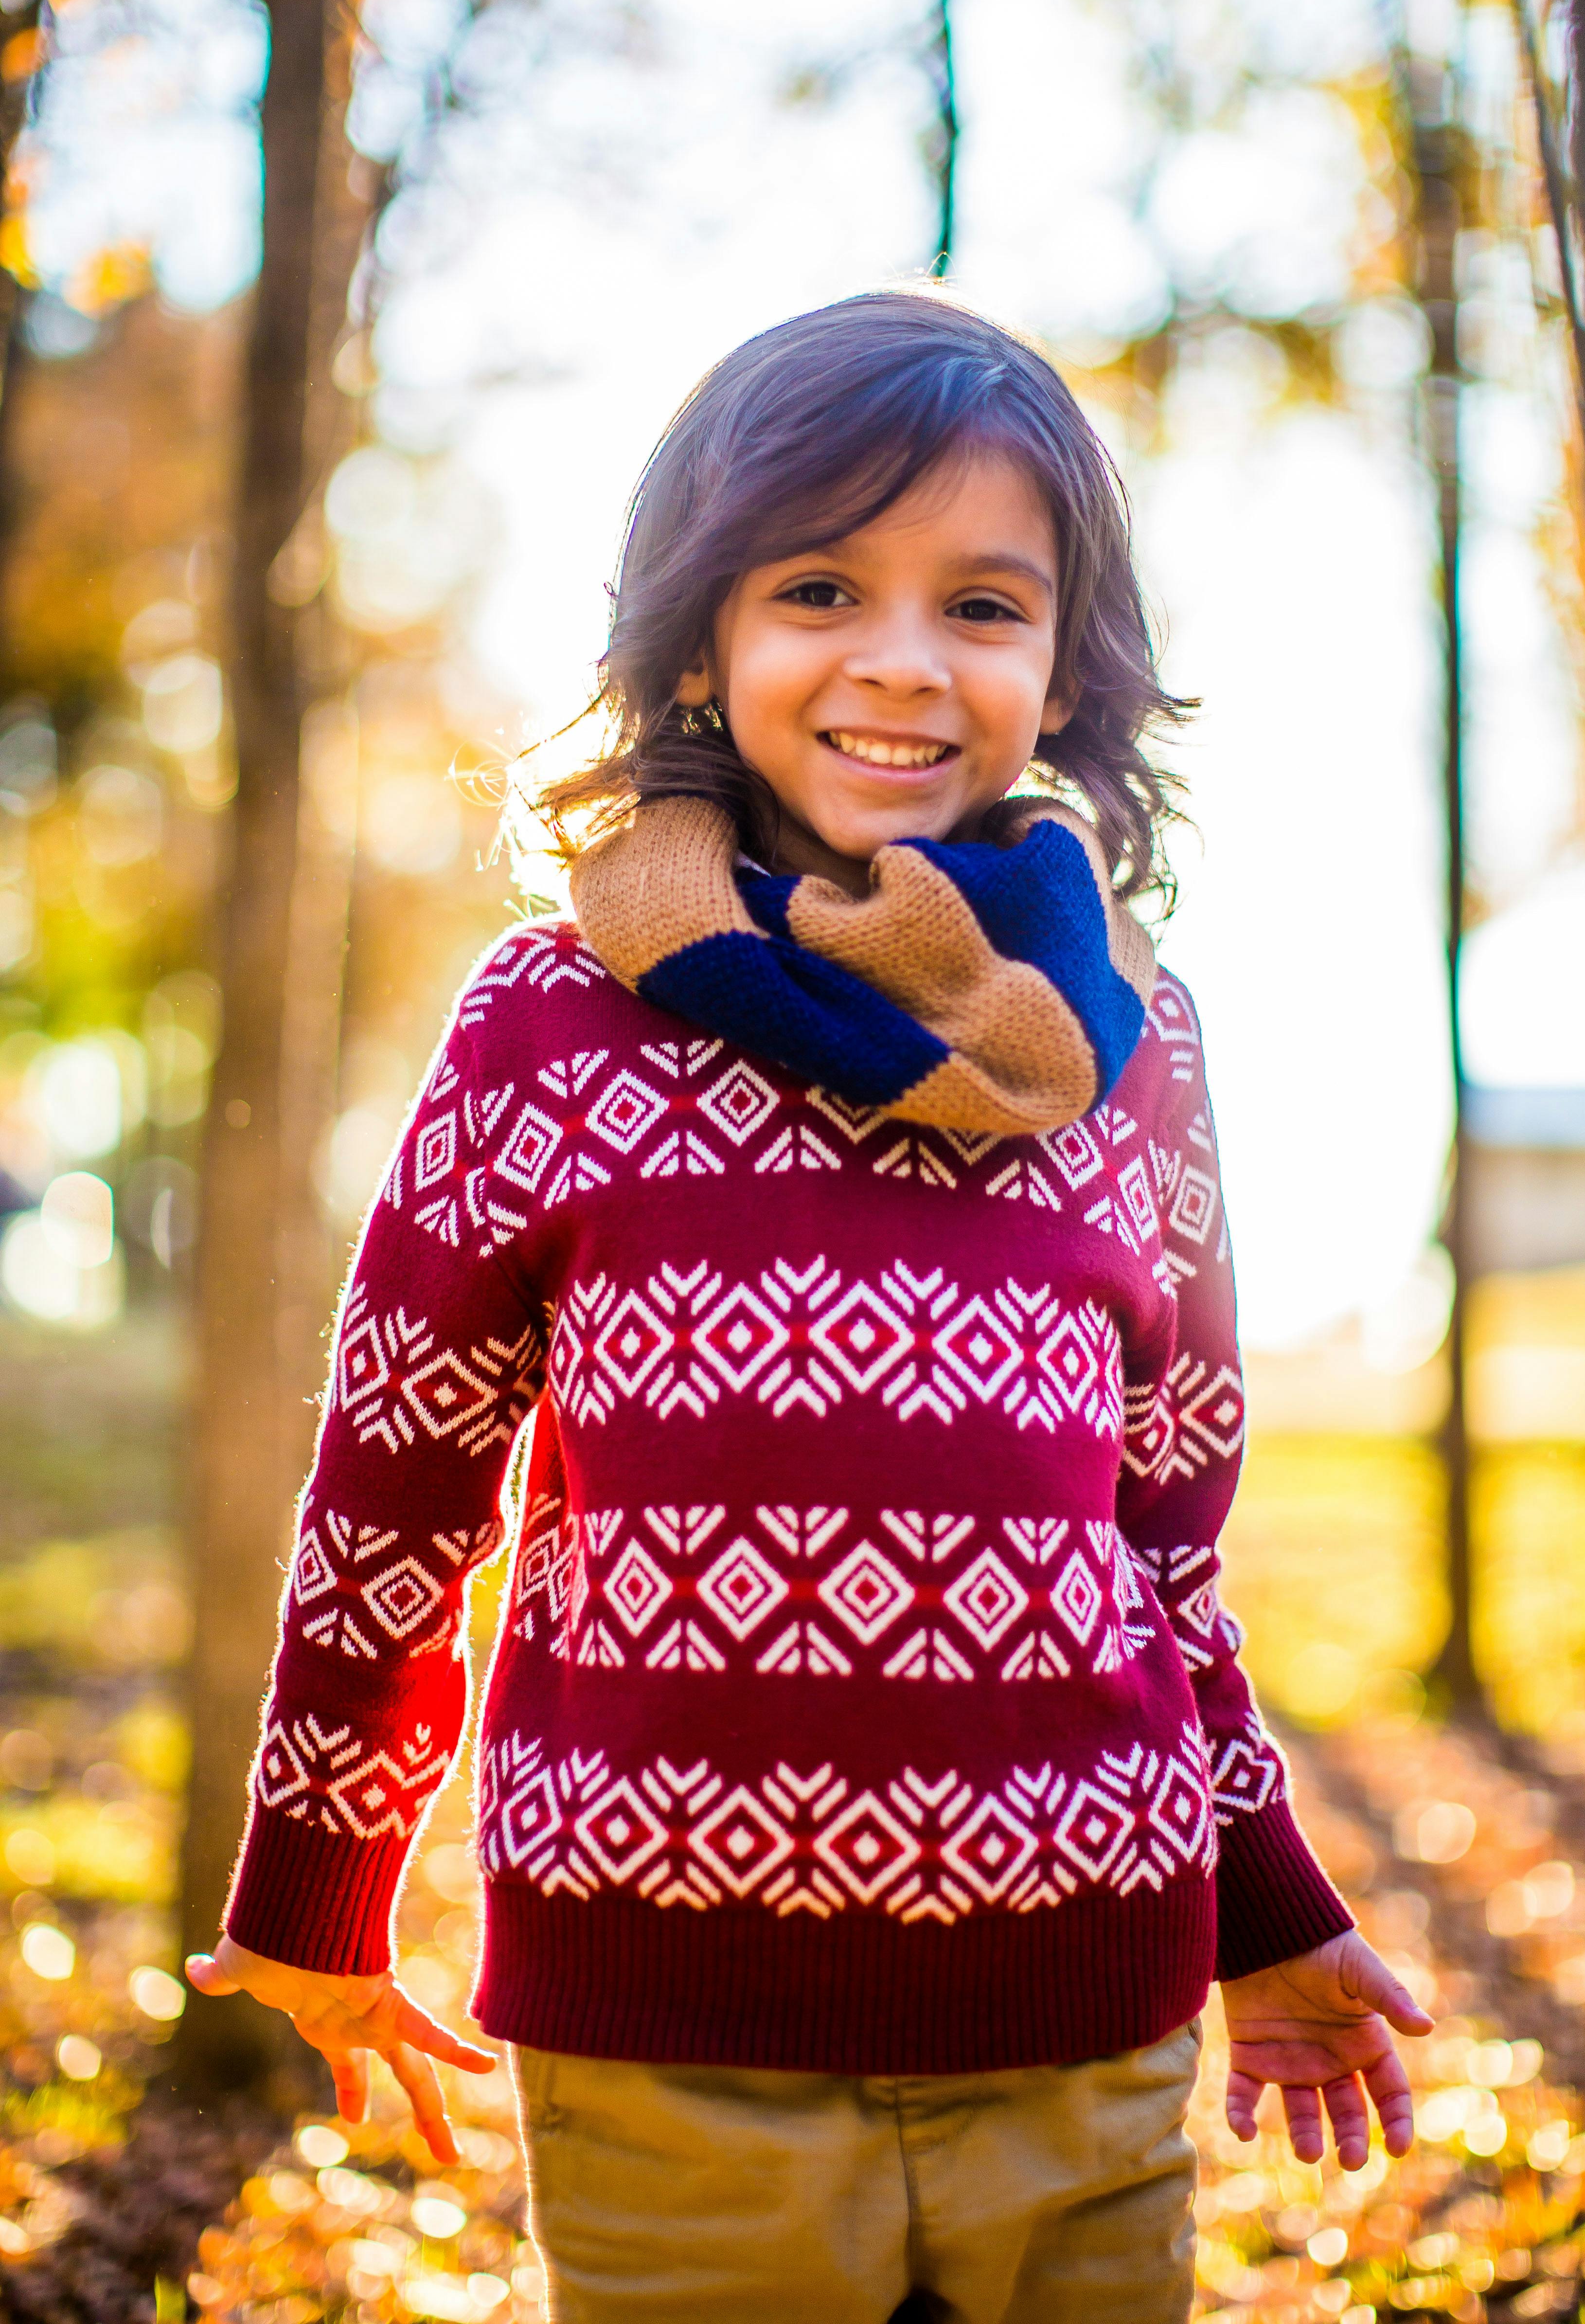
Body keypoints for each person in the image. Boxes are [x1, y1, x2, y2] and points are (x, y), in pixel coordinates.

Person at [188, 290, 1431, 2323]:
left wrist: (1266, 1914)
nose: (903, 661)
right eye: (822, 584)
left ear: (1067, 664)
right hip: (667, 2030)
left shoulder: (1140, 1047)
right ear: (702, 636)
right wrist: (319, 1893)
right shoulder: (553, 1020)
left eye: (987, 604)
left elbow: (1164, 1557)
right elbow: (396, 1483)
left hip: (1086, 2015)